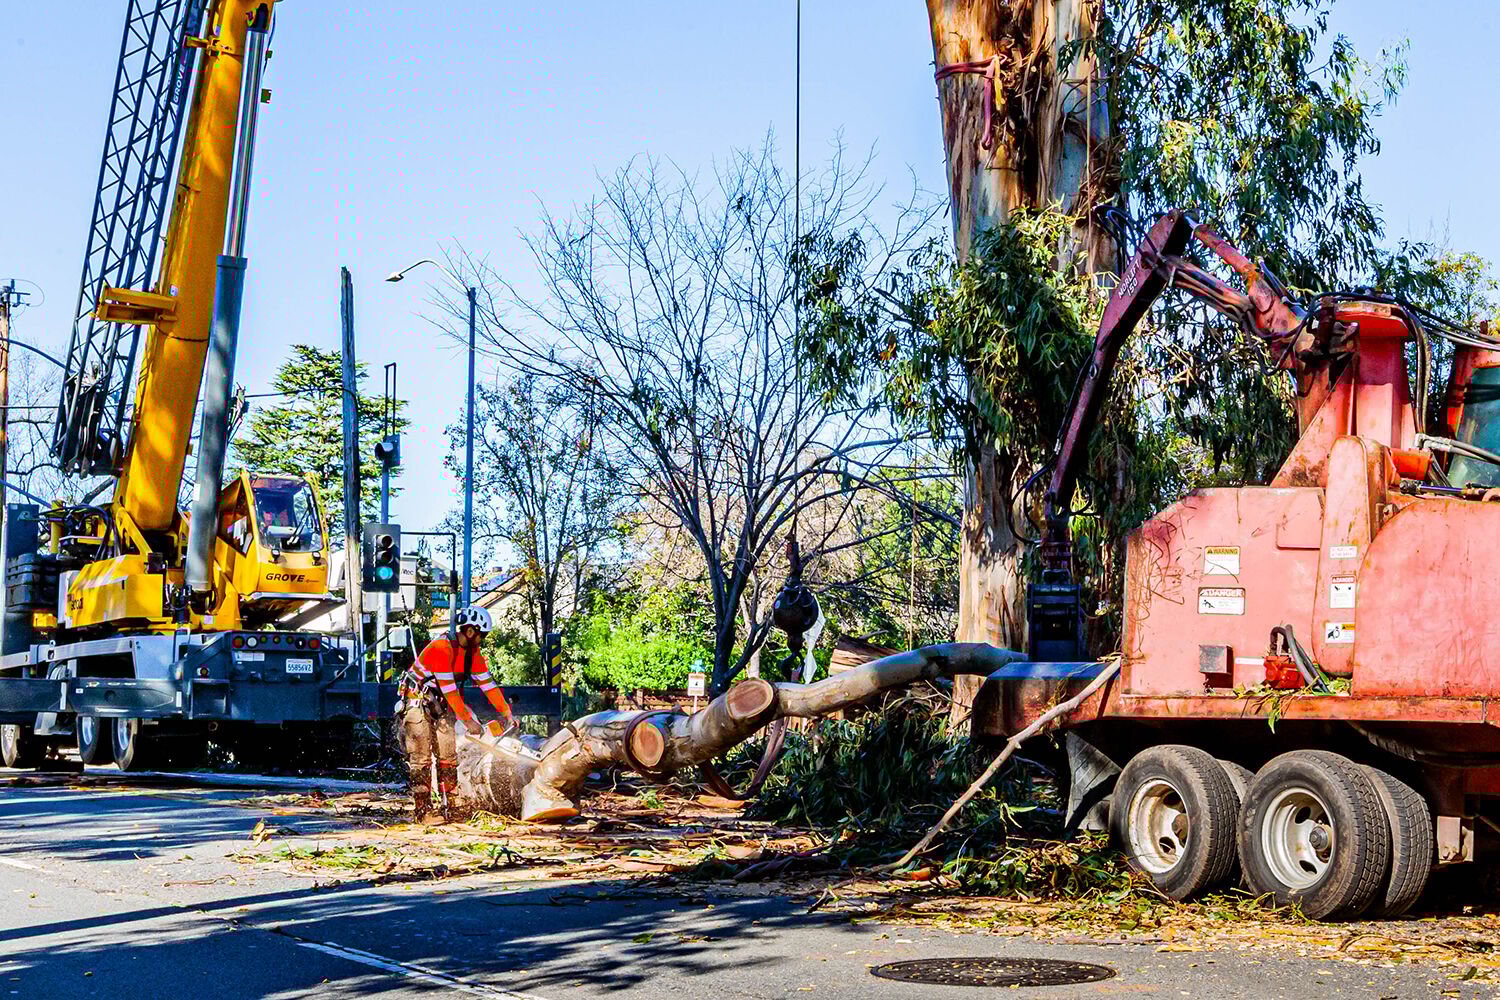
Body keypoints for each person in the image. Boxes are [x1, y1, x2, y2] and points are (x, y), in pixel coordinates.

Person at [395, 606, 514, 824]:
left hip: (441, 704)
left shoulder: (473, 655)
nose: (482, 640)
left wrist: (507, 712)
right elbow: (449, 689)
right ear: (470, 631)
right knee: (421, 757)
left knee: (448, 755)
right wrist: (468, 722)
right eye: (482, 635)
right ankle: (423, 811)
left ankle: (451, 802)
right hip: (418, 703)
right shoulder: (441, 648)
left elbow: (488, 685)